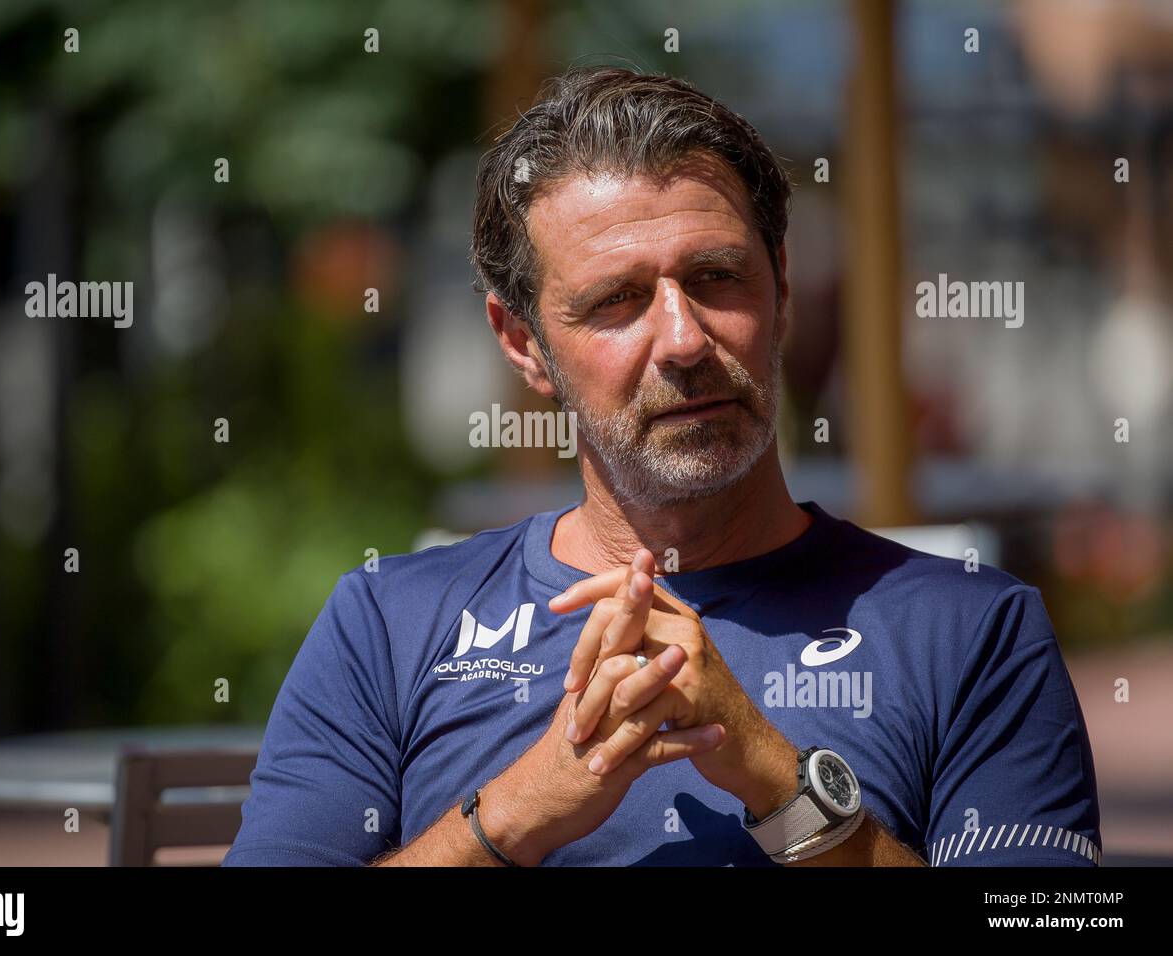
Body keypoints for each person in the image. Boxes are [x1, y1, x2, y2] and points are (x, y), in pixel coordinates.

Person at [223, 66, 1101, 867]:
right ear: (524, 345)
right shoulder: (390, 624)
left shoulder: (972, 631)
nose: (684, 340)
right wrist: (520, 811)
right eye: (618, 300)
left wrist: (773, 778)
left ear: (782, 289)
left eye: (718, 277)